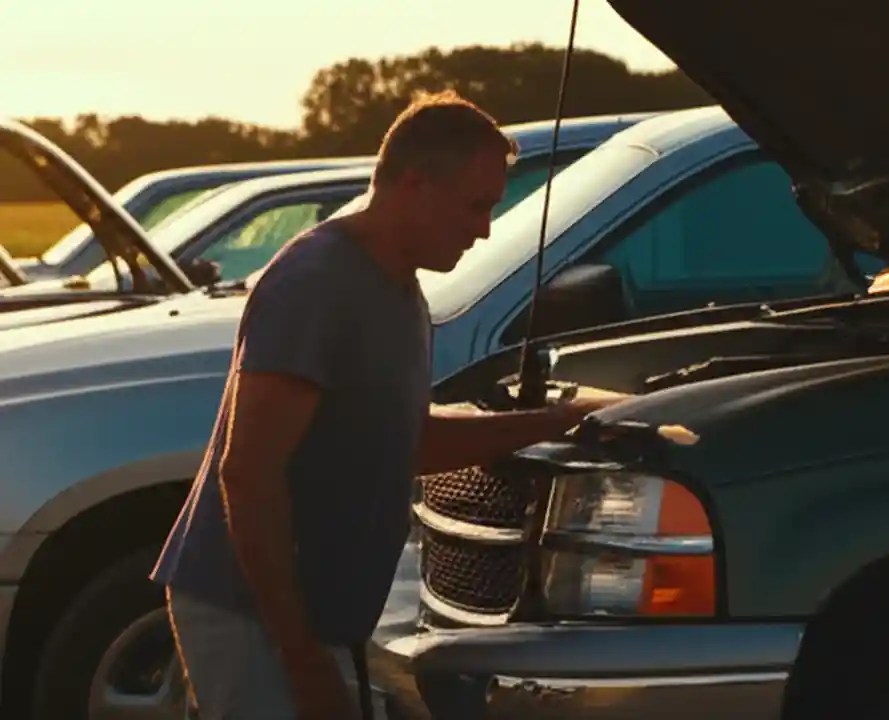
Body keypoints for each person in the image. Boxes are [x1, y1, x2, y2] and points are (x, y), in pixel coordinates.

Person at [150, 90, 621, 719]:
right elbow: (248, 473)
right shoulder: (316, 282)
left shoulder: (403, 293)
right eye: (475, 207)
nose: (484, 229)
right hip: (250, 613)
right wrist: (300, 656)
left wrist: (562, 420)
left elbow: (408, 440)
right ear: (415, 186)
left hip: (319, 619)